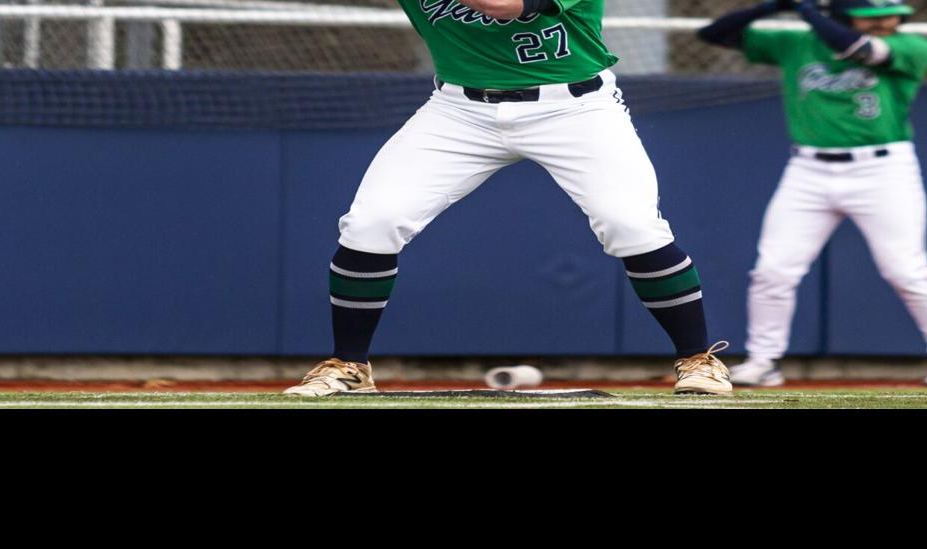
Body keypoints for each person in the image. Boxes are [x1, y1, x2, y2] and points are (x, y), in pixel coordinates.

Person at [286, 0, 731, 396]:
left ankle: (698, 360)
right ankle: (349, 365)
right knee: (372, 223)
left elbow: (504, 5)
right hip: (459, 110)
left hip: (574, 108)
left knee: (630, 224)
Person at [697, 0, 927, 387]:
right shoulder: (798, 43)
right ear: (844, 14)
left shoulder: (913, 47)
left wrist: (810, 11)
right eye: (872, 15)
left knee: (906, 270)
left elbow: (857, 50)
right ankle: (764, 361)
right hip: (808, 171)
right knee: (772, 271)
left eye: (891, 14)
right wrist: (777, 5)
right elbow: (712, 34)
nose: (886, 22)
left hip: (882, 170)